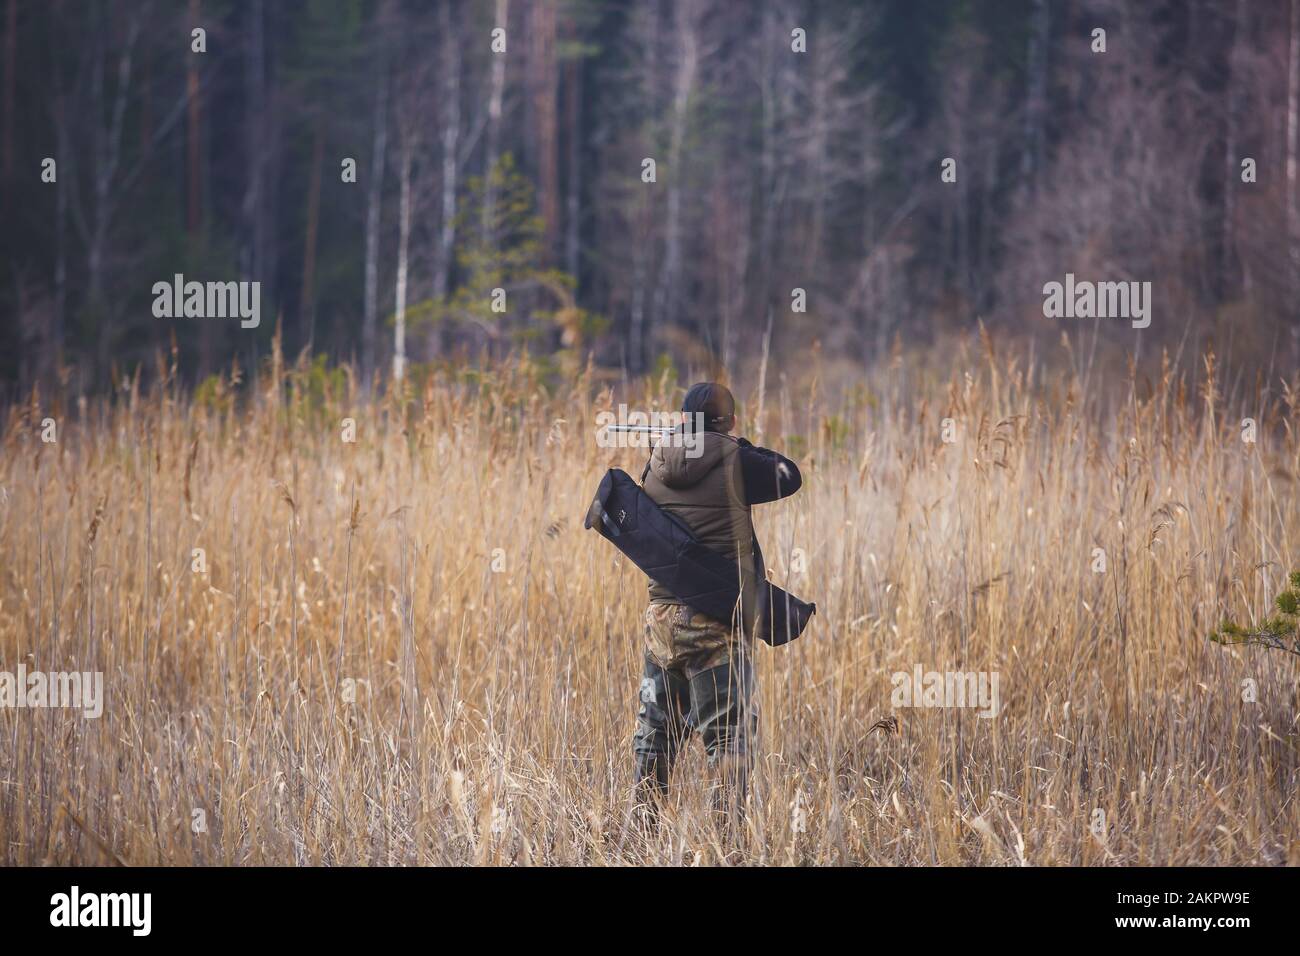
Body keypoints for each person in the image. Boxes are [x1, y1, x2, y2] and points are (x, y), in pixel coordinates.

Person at [632, 382, 802, 830]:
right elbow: (789, 474)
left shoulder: (655, 460)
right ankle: (726, 847)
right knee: (729, 745)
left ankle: (640, 835)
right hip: (718, 624)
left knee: (655, 737)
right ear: (727, 424)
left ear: (685, 421)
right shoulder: (737, 461)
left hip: (662, 623)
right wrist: (736, 445)